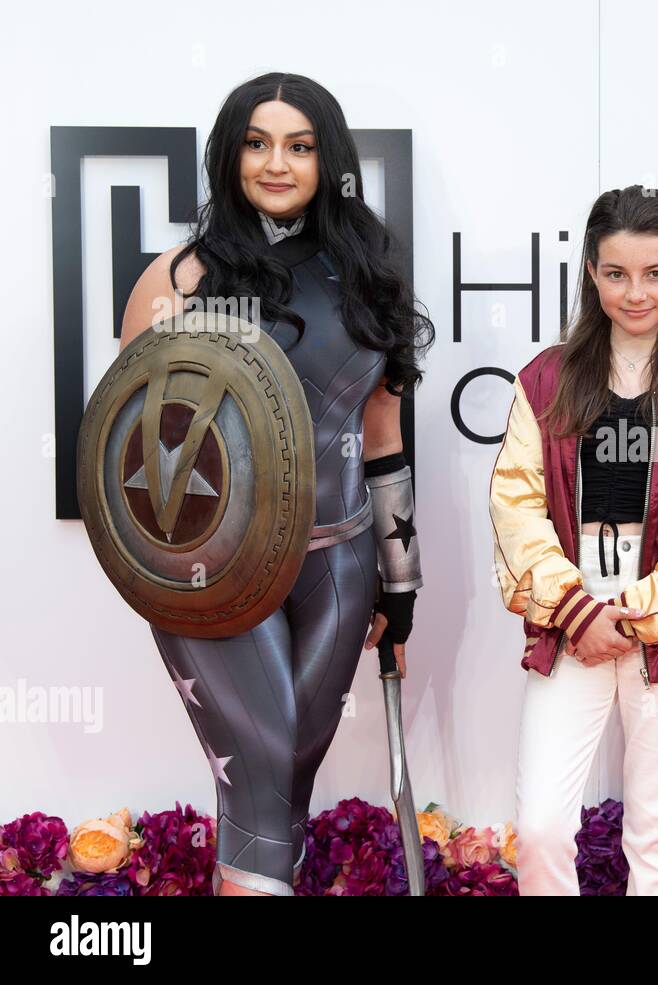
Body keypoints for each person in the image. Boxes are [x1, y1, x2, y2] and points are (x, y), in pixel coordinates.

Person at [115, 72, 433, 895]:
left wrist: (401, 585)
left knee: (287, 779)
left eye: (299, 145)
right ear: (231, 155)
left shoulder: (370, 275)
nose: (277, 163)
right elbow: (129, 452)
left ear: (328, 159)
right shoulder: (176, 281)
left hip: (340, 567)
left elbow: (383, 435)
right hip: (208, 574)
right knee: (257, 776)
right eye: (258, 143)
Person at [489, 186, 658, 895]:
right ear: (590, 271)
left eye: (654, 273)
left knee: (656, 835)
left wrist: (635, 614)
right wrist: (580, 610)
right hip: (572, 624)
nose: (634, 292)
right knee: (544, 825)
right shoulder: (546, 380)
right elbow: (515, 505)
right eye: (615, 274)